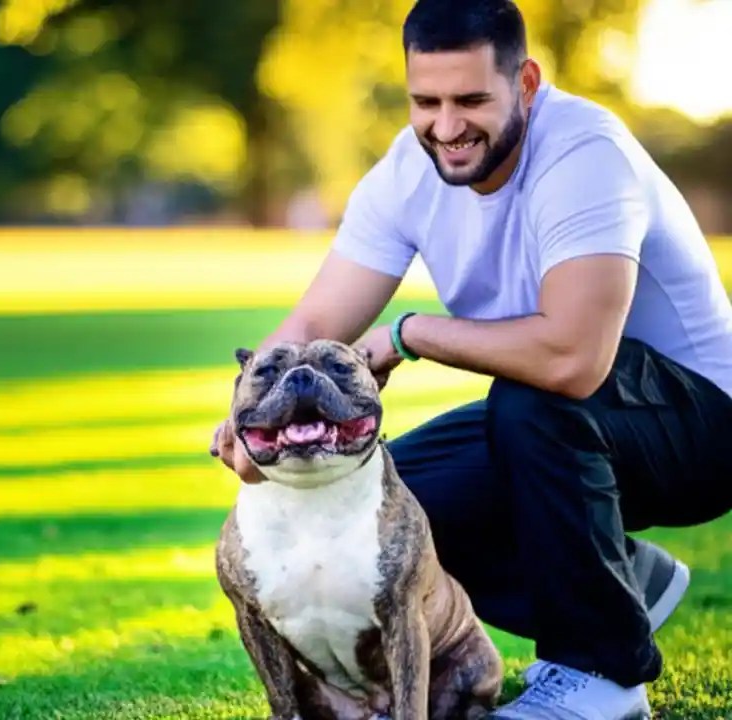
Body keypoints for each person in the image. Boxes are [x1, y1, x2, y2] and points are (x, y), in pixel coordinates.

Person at [211, 0, 732, 717]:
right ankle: (623, 584)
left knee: (536, 398)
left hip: (700, 425)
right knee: (392, 504)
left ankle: (604, 676)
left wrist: (411, 334)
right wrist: (248, 417)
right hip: (571, 420)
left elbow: (573, 360)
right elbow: (314, 322)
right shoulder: (408, 169)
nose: (446, 126)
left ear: (524, 83)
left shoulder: (584, 153)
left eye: (471, 100)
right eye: (426, 101)